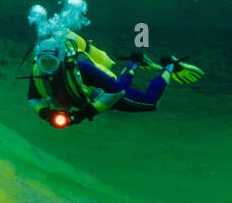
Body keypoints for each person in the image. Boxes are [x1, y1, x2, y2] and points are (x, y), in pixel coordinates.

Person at [26, 29, 201, 128]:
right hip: (98, 92)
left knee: (152, 102)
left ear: (61, 59)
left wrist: (86, 113)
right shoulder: (37, 73)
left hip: (105, 95)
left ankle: (168, 64)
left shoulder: (80, 67)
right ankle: (135, 62)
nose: (48, 67)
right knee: (116, 84)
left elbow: (117, 91)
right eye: (44, 62)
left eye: (52, 62)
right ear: (37, 60)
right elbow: (33, 98)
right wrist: (45, 113)